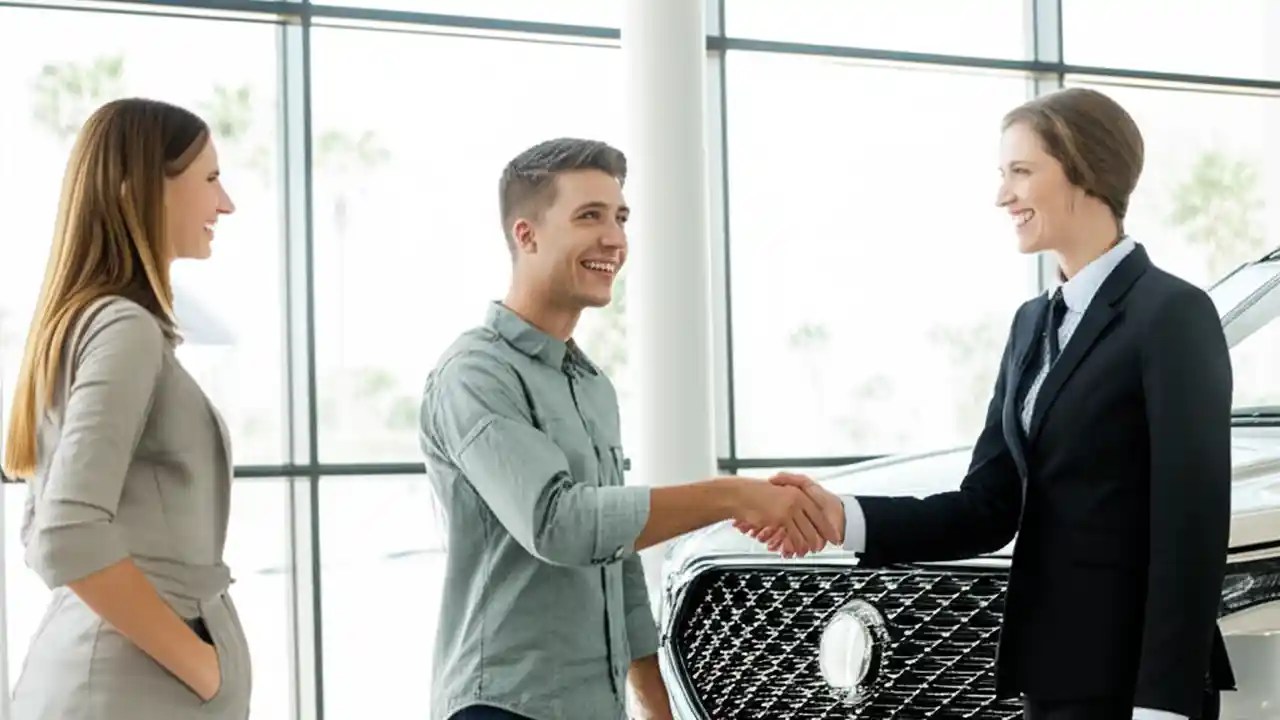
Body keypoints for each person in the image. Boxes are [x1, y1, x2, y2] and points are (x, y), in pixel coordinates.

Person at [746, 88, 1235, 720]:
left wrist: (1163, 705)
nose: (1003, 196)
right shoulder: (1032, 323)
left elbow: (1191, 526)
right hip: (1054, 675)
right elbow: (988, 507)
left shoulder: (1172, 313)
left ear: (1086, 171)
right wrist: (842, 516)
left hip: (1138, 687)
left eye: (1021, 172)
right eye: (1003, 174)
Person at [418, 137, 838, 720]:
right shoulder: (474, 374)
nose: (615, 239)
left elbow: (614, 559)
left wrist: (658, 706)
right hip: (502, 707)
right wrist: (733, 495)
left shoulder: (591, 385)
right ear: (526, 235)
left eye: (620, 217)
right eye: (589, 216)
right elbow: (559, 524)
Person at [3, 98, 249, 719]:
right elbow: (64, 533)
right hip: (124, 691)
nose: (225, 204)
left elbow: (41, 526)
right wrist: (204, 669)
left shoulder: (87, 325)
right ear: (141, 190)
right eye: (210, 179)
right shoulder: (124, 329)